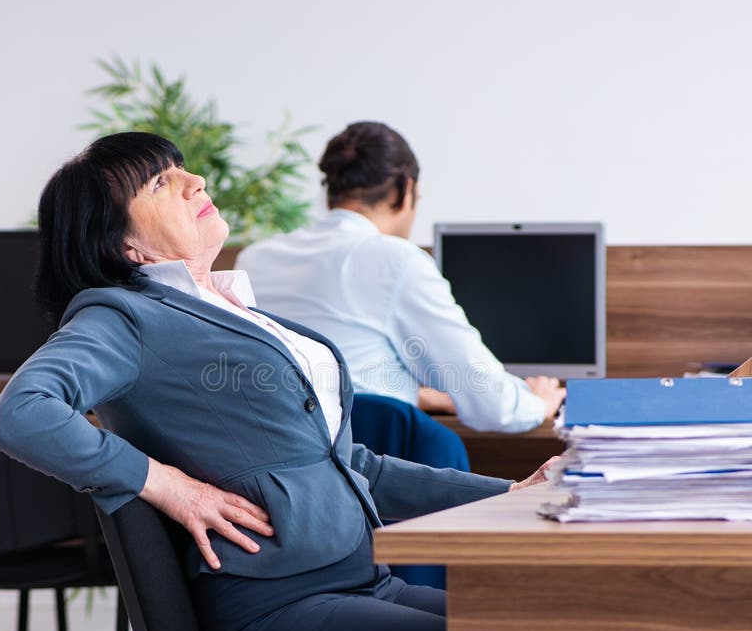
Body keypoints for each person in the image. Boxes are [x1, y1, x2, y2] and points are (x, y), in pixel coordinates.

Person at [0, 131, 553, 631]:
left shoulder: (233, 307)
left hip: (362, 583)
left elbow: (354, 468)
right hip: (276, 609)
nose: (194, 181)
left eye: (182, 168)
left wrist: (511, 494)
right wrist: (167, 484)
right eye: (161, 182)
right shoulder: (123, 317)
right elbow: (21, 413)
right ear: (125, 244)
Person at [236, 121, 566, 434]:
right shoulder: (396, 259)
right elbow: (491, 404)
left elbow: (321, 382)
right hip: (367, 468)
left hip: (270, 461)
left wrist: (418, 394)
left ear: (330, 190)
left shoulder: (255, 259)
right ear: (405, 190)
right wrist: (537, 402)